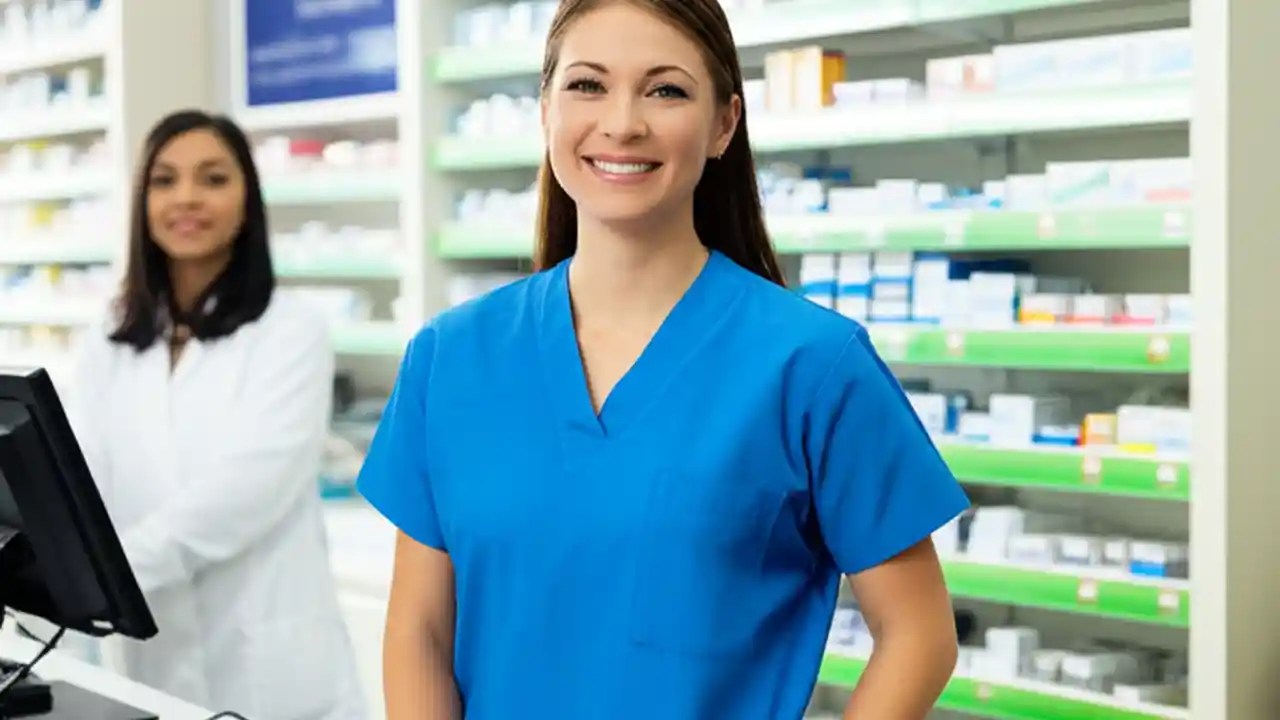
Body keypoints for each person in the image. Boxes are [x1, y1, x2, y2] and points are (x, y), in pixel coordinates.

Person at [357, 0, 969, 717]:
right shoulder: (450, 359)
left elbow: (919, 634)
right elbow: (420, 631)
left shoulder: (812, 365)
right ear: (545, 111)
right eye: (587, 85)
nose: (622, 122)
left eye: (666, 89)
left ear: (723, 125)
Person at [67, 110, 366, 720]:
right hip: (152, 658)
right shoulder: (109, 341)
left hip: (272, 666)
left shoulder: (290, 331)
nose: (187, 199)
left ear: (247, 200)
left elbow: (247, 490)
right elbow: (80, 476)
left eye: (213, 178)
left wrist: (109, 577)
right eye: (165, 180)